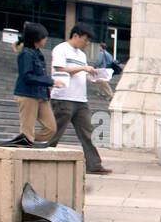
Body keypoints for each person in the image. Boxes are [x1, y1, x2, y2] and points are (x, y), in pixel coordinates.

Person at [47, 24, 110, 174]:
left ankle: (94, 164)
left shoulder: (81, 55)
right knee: (55, 132)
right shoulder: (61, 49)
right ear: (75, 36)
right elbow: (59, 69)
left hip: (81, 99)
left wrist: (96, 78)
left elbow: (84, 75)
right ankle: (42, 156)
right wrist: (82, 68)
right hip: (64, 97)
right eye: (84, 40)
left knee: (88, 132)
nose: (86, 43)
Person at [13, 21, 62, 143]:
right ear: (36, 38)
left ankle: (28, 143)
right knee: (27, 129)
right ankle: (26, 144)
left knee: (51, 128)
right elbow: (27, 77)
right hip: (27, 94)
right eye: (43, 37)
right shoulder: (26, 54)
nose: (45, 39)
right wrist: (51, 81)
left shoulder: (37, 53)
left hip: (41, 95)